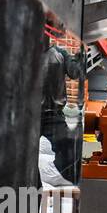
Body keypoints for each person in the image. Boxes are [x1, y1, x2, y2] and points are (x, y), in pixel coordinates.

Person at [39, 43, 83, 182]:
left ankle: (70, 179)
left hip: (53, 115)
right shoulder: (25, 53)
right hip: (31, 116)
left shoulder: (60, 54)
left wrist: (80, 56)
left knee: (69, 146)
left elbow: (74, 72)